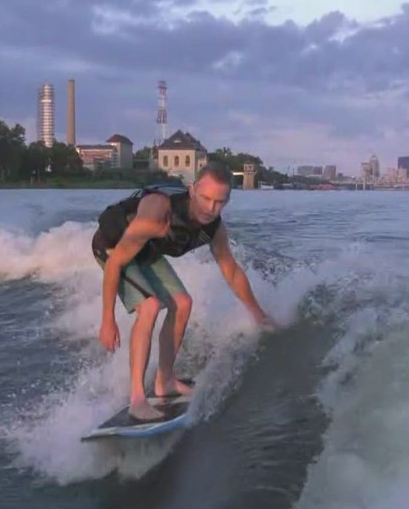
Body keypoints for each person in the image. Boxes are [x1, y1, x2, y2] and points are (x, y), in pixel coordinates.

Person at [91, 161, 273, 421]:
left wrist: (258, 313)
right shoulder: (157, 213)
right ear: (192, 190)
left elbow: (231, 271)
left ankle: (165, 381)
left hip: (145, 252)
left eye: (219, 202)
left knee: (183, 303)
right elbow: (116, 263)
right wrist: (107, 320)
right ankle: (137, 399)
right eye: (206, 198)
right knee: (150, 306)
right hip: (111, 250)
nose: (211, 209)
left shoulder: (214, 229)